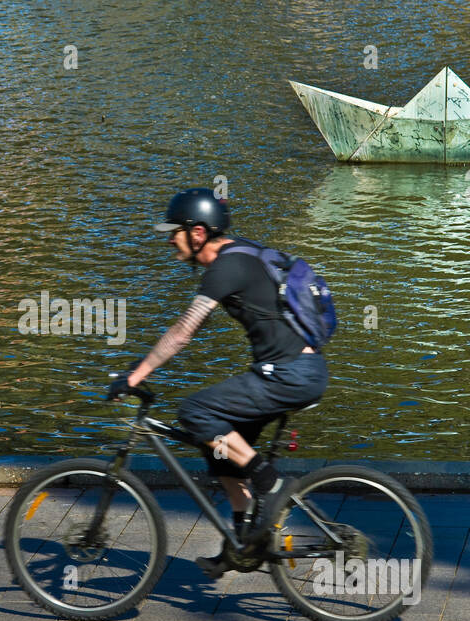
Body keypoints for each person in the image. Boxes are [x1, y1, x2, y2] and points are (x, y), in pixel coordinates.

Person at [107, 188, 328, 579]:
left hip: (290, 375)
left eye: (173, 231)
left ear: (196, 233)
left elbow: (182, 333)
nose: (168, 238)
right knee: (220, 447)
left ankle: (272, 484)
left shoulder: (224, 268)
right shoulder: (240, 252)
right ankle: (243, 541)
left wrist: (134, 376)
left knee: (195, 412)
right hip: (294, 372)